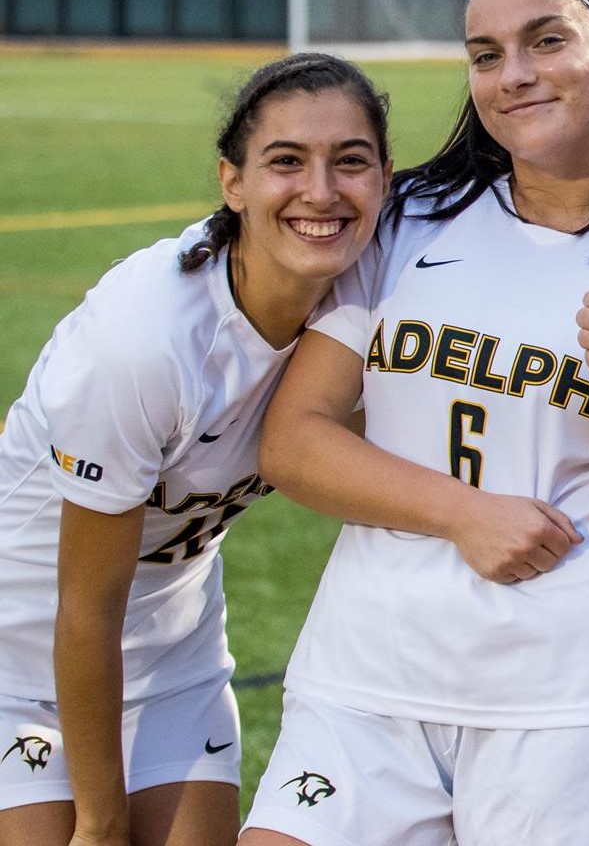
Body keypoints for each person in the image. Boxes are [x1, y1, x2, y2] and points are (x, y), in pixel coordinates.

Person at [238, 0, 589, 845]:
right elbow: (295, 441)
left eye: (545, 41)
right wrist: (462, 513)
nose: (513, 74)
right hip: (368, 676)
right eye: (487, 55)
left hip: (565, 698)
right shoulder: (405, 222)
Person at [0, 53, 392, 846]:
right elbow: (86, 608)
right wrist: (101, 825)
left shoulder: (368, 290)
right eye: (286, 162)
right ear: (232, 182)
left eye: (349, 162)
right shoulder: (146, 342)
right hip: (24, 659)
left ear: (387, 177)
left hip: (174, 662)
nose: (322, 191)